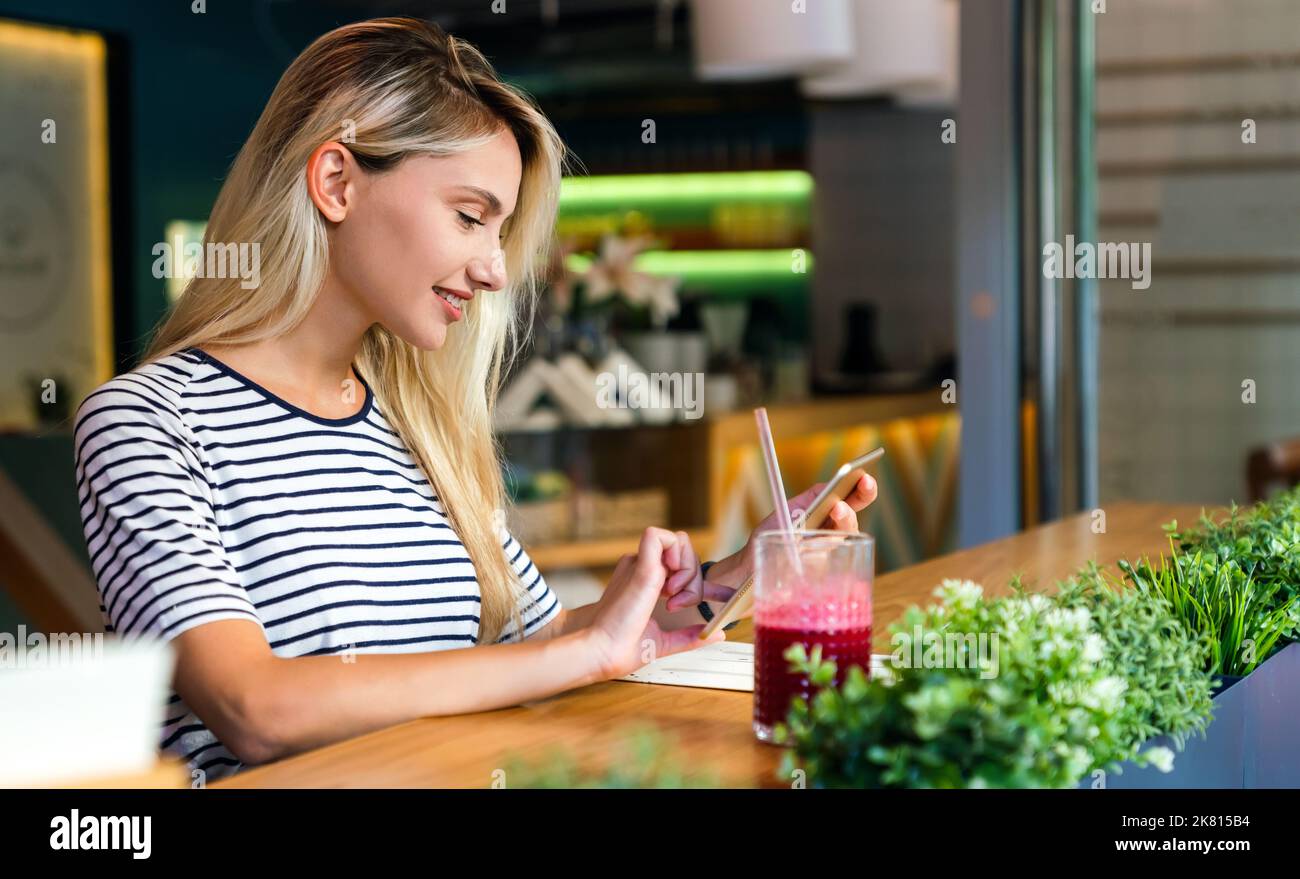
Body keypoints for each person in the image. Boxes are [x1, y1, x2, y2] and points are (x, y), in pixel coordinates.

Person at [72, 17, 877, 783]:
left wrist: (731, 576)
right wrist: (584, 650)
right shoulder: (148, 424)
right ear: (336, 181)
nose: (495, 269)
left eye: (499, 233)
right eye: (470, 217)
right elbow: (256, 708)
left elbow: (533, 638)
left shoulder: (416, 420)